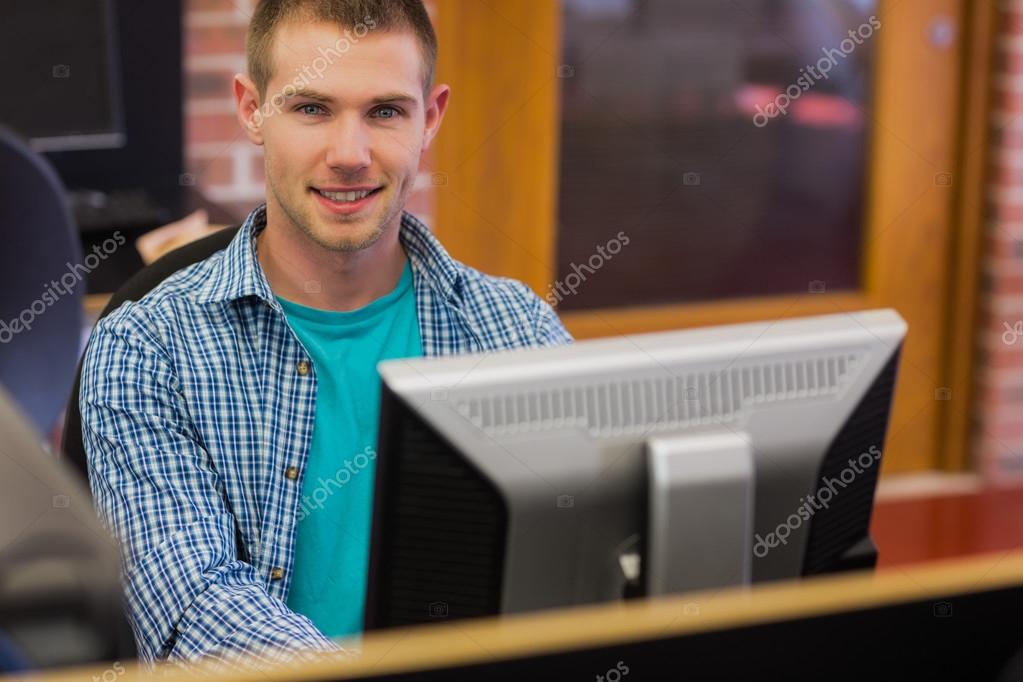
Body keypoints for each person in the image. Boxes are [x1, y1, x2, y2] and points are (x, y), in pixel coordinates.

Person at [79, 0, 571, 670]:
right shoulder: (148, 348)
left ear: (429, 119)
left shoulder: (517, 330)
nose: (350, 154)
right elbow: (192, 604)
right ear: (251, 110)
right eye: (311, 108)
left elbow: (574, 578)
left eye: (385, 111)